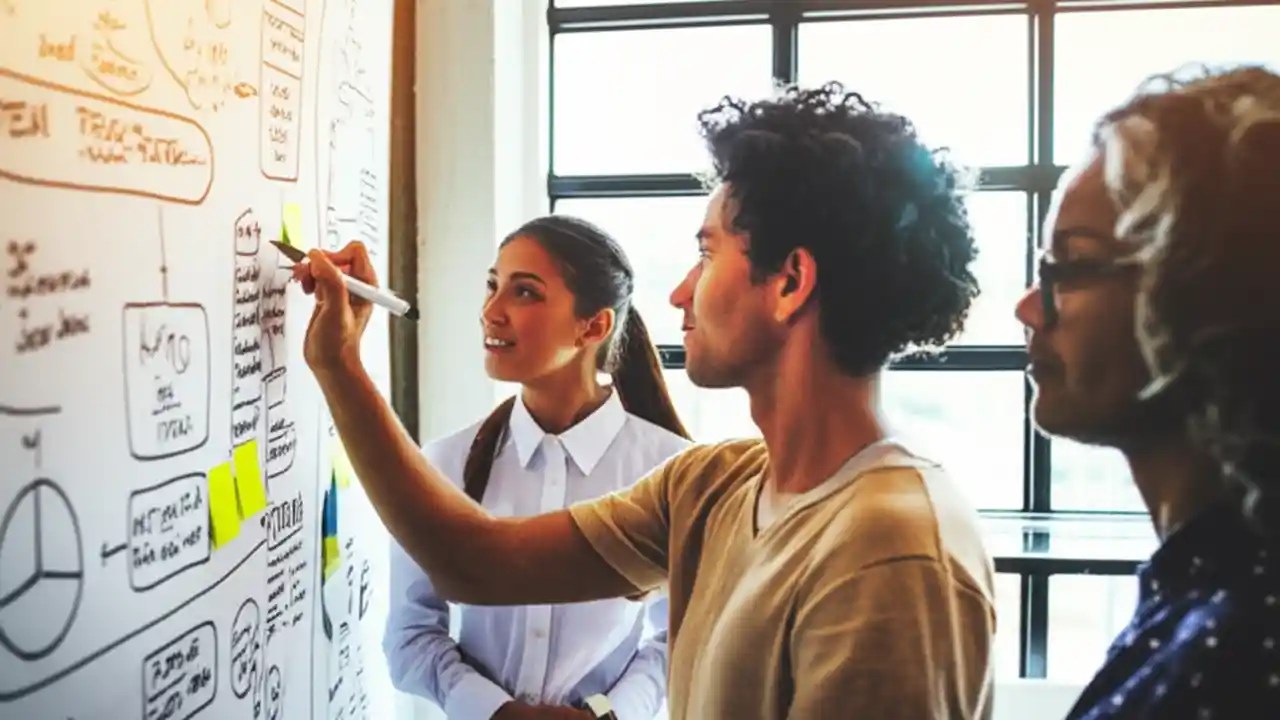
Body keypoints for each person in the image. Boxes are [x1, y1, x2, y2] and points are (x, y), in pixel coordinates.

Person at [298, 83, 996, 719]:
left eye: (708, 253)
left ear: (790, 281)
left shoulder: (894, 550)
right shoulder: (711, 485)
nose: (679, 293)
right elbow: (469, 562)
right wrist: (339, 365)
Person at [1014, 65, 1280, 719]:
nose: (1028, 307)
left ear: (1205, 293)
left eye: (1070, 266)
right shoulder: (1206, 589)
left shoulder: (1235, 644)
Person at [382, 216, 690, 720]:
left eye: (524, 293)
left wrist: (608, 715)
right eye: (492, 286)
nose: (490, 311)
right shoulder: (443, 464)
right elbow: (409, 635)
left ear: (594, 325)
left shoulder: (671, 471)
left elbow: (677, 635)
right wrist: (496, 711)